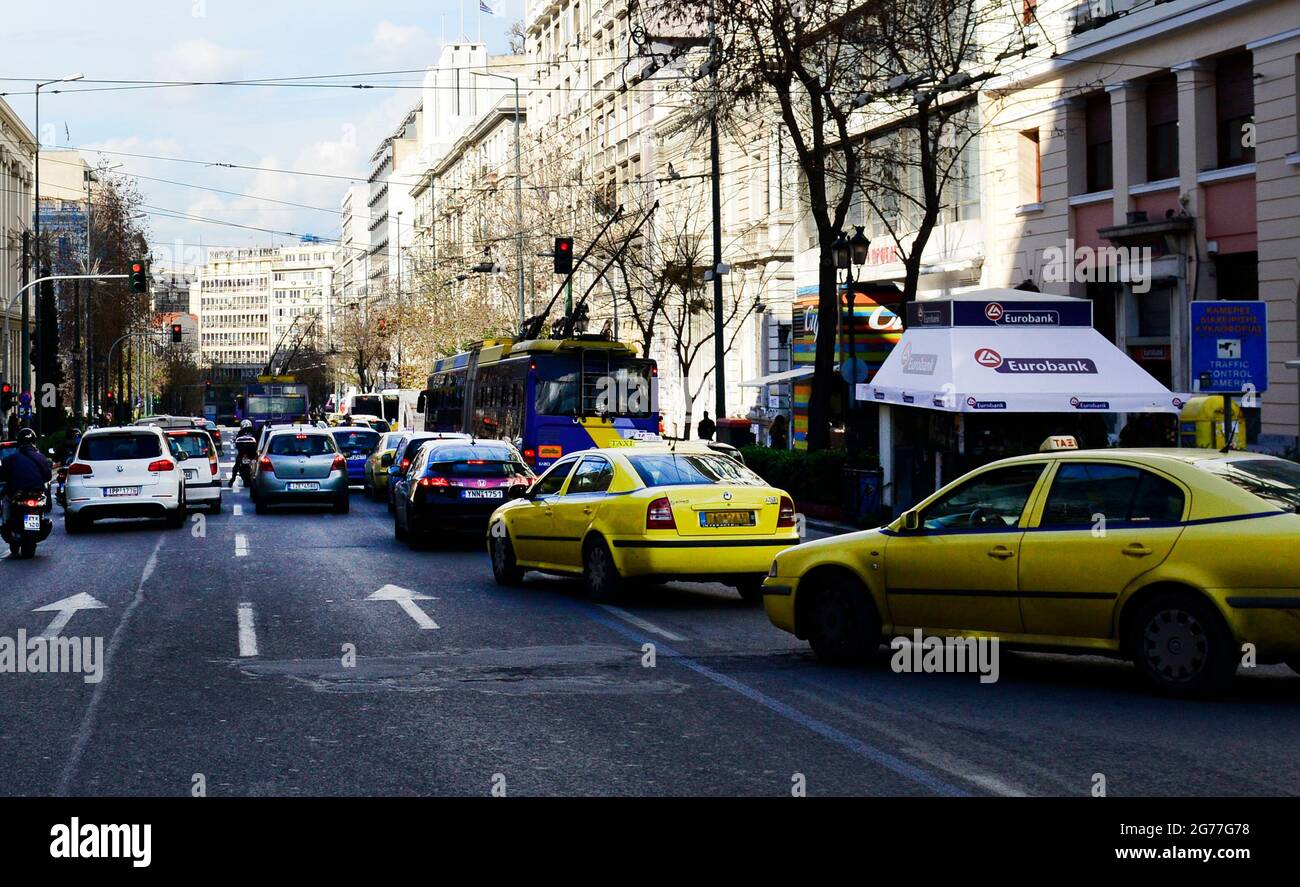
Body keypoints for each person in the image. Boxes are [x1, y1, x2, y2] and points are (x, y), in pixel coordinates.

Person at [0, 428, 54, 523]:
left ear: (19, 443)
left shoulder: (11, 459)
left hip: (17, 492)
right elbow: (48, 477)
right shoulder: (41, 458)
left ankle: (6, 522)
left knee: (6, 500)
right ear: (34, 442)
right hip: (36, 492)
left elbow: (2, 475)